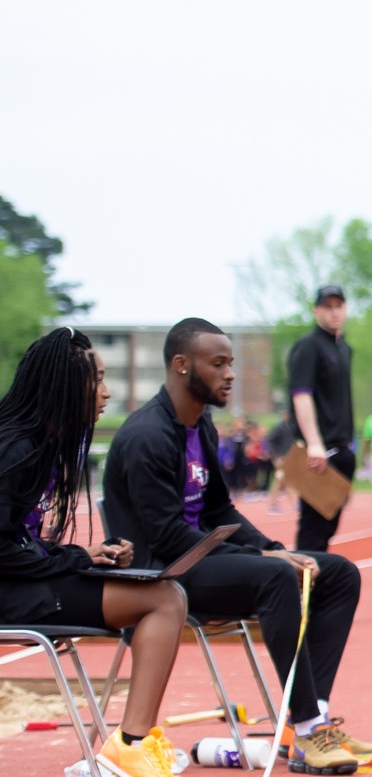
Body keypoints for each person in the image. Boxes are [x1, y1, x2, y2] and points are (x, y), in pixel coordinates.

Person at [103, 318, 371, 773]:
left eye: (231, 363)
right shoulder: (148, 436)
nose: (230, 374)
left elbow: (220, 511)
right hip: (160, 574)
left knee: (338, 572)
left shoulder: (201, 425)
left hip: (200, 560)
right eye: (219, 363)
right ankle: (306, 728)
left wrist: (272, 545)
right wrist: (264, 558)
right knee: (277, 576)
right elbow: (167, 539)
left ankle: (312, 719)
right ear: (182, 365)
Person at [1, 328, 188, 777]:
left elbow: (16, 539)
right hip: (9, 593)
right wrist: (74, 560)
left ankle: (130, 744)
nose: (106, 392)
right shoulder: (15, 447)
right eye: (97, 380)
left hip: (20, 581)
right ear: (63, 386)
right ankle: (128, 746)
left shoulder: (39, 443)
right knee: (163, 599)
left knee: (166, 592)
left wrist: (83, 553)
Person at [287, 284, 355, 552]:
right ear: (316, 310)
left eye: (338, 306)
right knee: (313, 531)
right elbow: (301, 395)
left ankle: (316, 586)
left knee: (328, 527)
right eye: (327, 306)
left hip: (341, 449)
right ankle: (303, 591)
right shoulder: (308, 347)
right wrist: (314, 443)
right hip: (320, 451)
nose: (334, 312)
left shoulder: (344, 348)